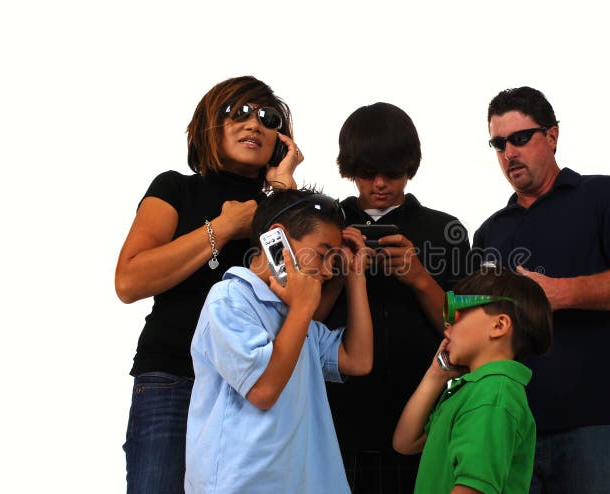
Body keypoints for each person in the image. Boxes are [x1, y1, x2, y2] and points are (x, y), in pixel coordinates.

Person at [473, 86, 610, 493]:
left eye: (520, 138)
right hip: (510, 431)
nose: (509, 152)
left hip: (597, 426)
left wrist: (561, 293)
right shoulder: (489, 232)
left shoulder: (604, 195)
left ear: (552, 136)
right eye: (498, 143)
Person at [114, 76, 303, 493]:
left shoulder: (287, 204)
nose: (253, 124)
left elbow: (302, 291)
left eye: (268, 119)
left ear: (283, 140)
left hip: (255, 383)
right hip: (173, 377)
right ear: (208, 126)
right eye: (237, 113)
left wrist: (284, 194)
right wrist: (222, 227)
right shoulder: (175, 188)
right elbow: (129, 280)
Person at [323, 102, 471, 493]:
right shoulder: (323, 225)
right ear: (349, 167)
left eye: (393, 172)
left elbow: (469, 336)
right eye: (367, 173)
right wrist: (338, 276)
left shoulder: (444, 230)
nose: (380, 184)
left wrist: (421, 278)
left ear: (411, 166)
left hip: (423, 427)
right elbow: (296, 326)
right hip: (335, 425)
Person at [185, 188, 373, 493]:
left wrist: (355, 278)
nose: (327, 271)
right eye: (323, 255)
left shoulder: (297, 318)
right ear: (277, 240)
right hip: (244, 484)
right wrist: (301, 308)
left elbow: (358, 360)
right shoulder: (231, 299)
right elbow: (263, 389)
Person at [392, 269, 553, 493]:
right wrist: (435, 375)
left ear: (499, 326)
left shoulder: (493, 395)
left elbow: (472, 487)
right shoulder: (473, 390)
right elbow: (405, 443)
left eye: (456, 310)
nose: (447, 322)